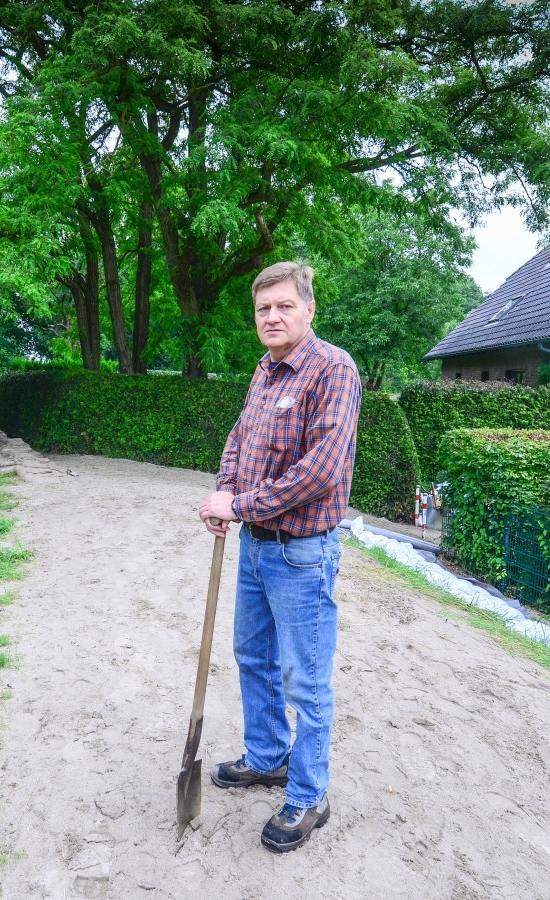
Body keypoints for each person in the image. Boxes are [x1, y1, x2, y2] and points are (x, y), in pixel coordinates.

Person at [197, 260, 361, 853]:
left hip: (302, 554)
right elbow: (239, 439)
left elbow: (320, 471)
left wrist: (239, 503)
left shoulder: (334, 369)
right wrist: (225, 492)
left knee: (304, 680)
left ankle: (310, 795)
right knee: (252, 656)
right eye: (263, 308)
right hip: (255, 547)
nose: (272, 317)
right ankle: (268, 757)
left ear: (308, 309)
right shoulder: (264, 370)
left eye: (284, 306)